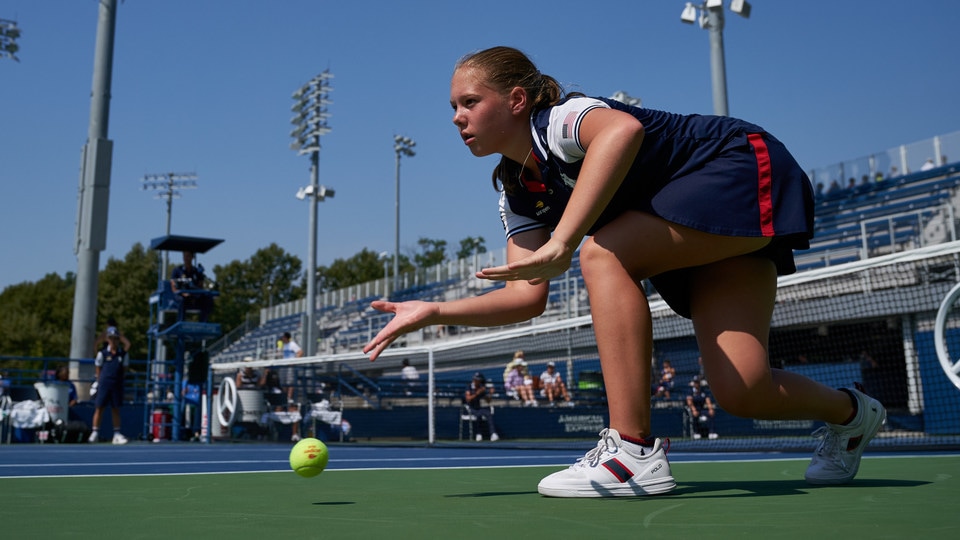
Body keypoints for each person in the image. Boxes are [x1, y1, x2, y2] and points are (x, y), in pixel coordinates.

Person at [362, 46, 886, 497]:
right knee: (742, 390)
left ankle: (632, 450)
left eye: (470, 102)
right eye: (453, 106)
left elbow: (623, 129)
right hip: (691, 227)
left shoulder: (561, 119)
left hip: (737, 168)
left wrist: (566, 238)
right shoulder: (515, 190)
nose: (457, 116)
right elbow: (527, 295)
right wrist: (435, 312)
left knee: (601, 252)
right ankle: (854, 416)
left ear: (516, 101)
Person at [89, 327, 129, 444]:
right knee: (99, 407)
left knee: (115, 408)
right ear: (108, 339)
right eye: (111, 339)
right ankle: (95, 432)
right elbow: (98, 366)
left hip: (116, 384)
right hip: (104, 384)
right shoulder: (103, 353)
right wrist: (100, 380)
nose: (114, 341)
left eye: (116, 339)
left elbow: (124, 369)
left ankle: (116, 434)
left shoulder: (123, 354)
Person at [170, 251, 213, 322]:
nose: (186, 258)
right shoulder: (177, 270)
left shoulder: (196, 272)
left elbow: (200, 286)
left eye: (188, 256)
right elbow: (173, 288)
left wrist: (194, 293)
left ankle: (203, 322)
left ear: (192, 257)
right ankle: (181, 322)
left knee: (208, 299)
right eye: (184, 256)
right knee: (182, 300)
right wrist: (183, 294)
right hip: (180, 296)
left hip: (193, 296)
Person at [464, 372, 499, 441]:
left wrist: (490, 394)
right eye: (476, 379)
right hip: (470, 408)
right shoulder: (469, 387)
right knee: (478, 415)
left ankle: (493, 433)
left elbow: (488, 400)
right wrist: (477, 393)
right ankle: (479, 434)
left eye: (478, 380)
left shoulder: (481, 388)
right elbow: (468, 399)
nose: (477, 381)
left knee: (488, 414)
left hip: (479, 407)